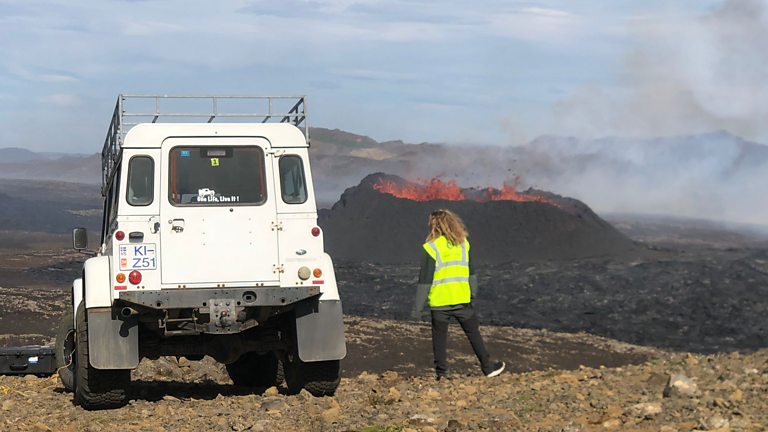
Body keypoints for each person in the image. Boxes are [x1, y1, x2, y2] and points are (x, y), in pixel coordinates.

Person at [411, 209, 505, 380]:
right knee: (473, 334)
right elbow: (472, 273)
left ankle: (442, 374)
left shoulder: (431, 248)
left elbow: (425, 280)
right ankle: (488, 367)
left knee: (439, 339)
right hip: (462, 300)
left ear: (434, 225)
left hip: (440, 302)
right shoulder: (463, 244)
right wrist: (472, 293)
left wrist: (417, 308)